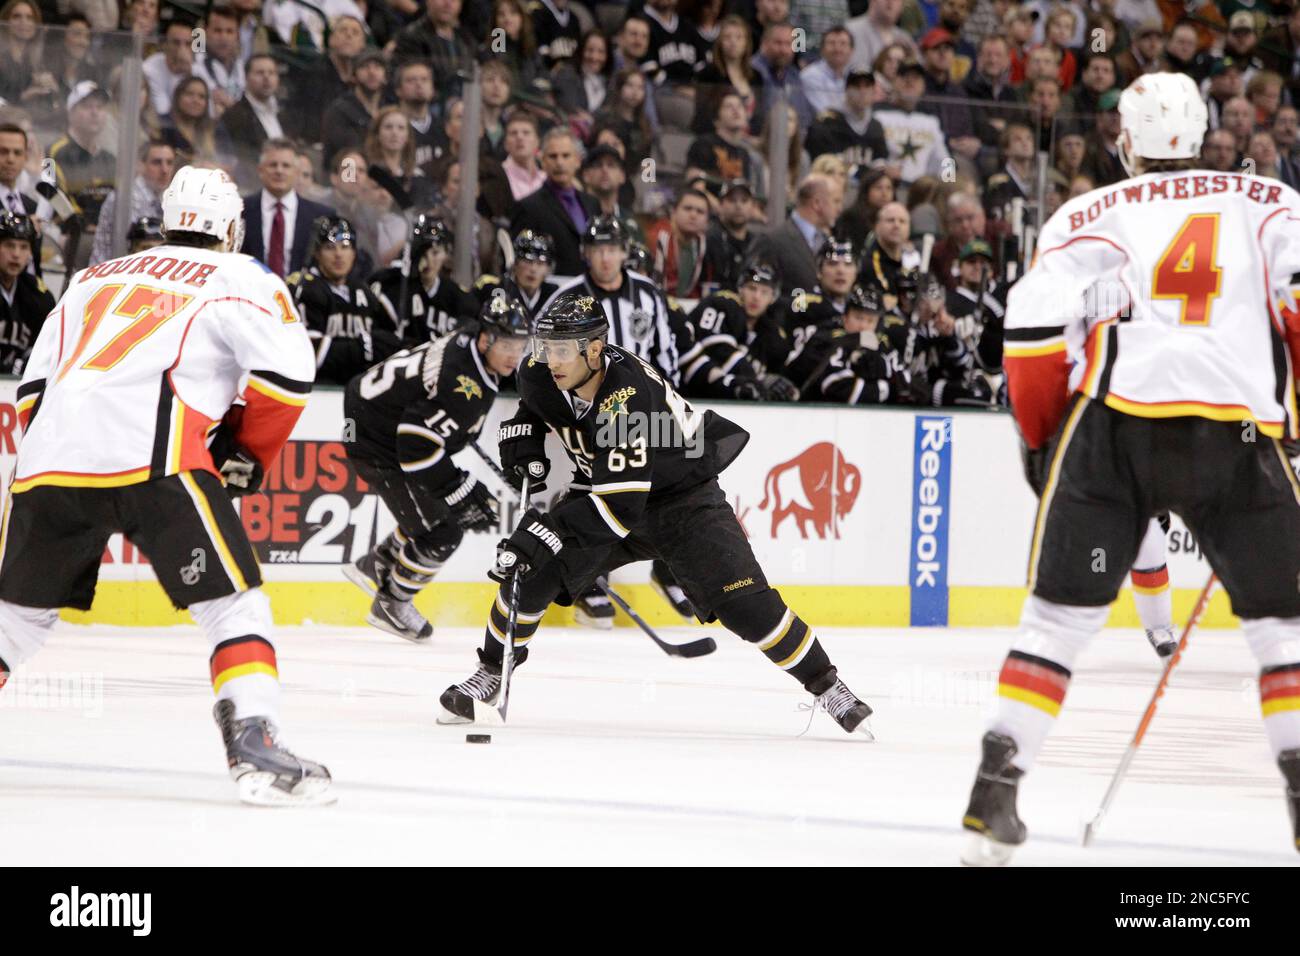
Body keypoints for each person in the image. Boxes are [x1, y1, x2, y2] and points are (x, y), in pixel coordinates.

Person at [960, 73, 1300, 866]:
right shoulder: (1274, 202)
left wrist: (1043, 442)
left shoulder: (1085, 211)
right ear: (1207, 131)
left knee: (1055, 624)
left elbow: (1035, 327)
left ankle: (992, 797)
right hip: (1236, 432)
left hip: (1112, 429)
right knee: (1283, 630)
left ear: (1123, 140)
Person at [0, 166, 331, 806]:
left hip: (49, 460)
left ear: (168, 222)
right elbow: (288, 378)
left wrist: (58, 455)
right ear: (231, 228)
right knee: (233, 603)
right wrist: (245, 451)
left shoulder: (92, 278)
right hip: (157, 460)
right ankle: (254, 737)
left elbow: (34, 389)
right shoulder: (241, 276)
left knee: (14, 621)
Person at [435, 291, 876, 736]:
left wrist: (545, 532)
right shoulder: (540, 371)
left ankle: (828, 686)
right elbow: (534, 408)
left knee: (747, 607)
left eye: (563, 350)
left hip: (683, 501)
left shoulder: (626, 399)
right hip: (605, 489)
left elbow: (617, 510)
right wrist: (524, 437)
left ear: (594, 348)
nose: (552, 359)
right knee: (530, 574)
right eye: (548, 347)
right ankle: (493, 672)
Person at [341, 296, 529, 642]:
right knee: (444, 530)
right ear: (486, 338)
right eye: (507, 345)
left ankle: (379, 562)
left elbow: (428, 418)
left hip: (376, 418)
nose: (514, 355)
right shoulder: (462, 383)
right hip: (376, 440)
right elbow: (415, 449)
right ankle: (392, 603)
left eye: (520, 345)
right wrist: (458, 488)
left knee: (433, 509)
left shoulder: (471, 342)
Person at [286, 215, 400, 386]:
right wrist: (366, 347)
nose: (338, 255)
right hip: (317, 391)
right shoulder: (305, 291)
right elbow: (311, 355)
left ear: (354, 253)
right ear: (317, 253)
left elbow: (391, 345)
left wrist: (344, 349)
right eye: (330, 247)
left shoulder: (366, 293)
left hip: (360, 390)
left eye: (345, 247)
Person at [370, 213, 478, 344]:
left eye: (435, 253)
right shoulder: (398, 288)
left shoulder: (456, 298)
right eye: (422, 253)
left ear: (446, 255)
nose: (428, 260)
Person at [510, 127, 601, 277]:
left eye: (566, 156)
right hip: (551, 293)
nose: (559, 162)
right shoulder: (528, 207)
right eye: (553, 156)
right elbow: (520, 262)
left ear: (577, 160)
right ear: (543, 161)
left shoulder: (592, 204)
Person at [242, 138, 336, 277]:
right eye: (273, 165)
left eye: (286, 166)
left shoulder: (322, 217)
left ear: (296, 172)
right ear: (260, 170)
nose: (279, 171)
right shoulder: (241, 210)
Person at [755, 173, 844, 296]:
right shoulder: (773, 241)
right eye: (836, 201)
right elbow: (757, 289)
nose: (840, 209)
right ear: (817, 203)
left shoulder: (829, 242)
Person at [90, 139, 174, 266]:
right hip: (108, 275)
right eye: (157, 162)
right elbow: (141, 250)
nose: (165, 170)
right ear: (140, 165)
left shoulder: (165, 197)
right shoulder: (126, 199)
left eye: (169, 163)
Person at [0, 211, 51, 374]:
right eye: (9, 245)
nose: (16, 254)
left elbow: (45, 351)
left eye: (23, 247)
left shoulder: (37, 294)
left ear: (30, 253)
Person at [474, 229, 562, 319]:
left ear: (548, 268)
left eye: (540, 263)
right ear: (515, 263)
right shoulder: (498, 291)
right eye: (528, 261)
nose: (533, 269)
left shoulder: (554, 295)